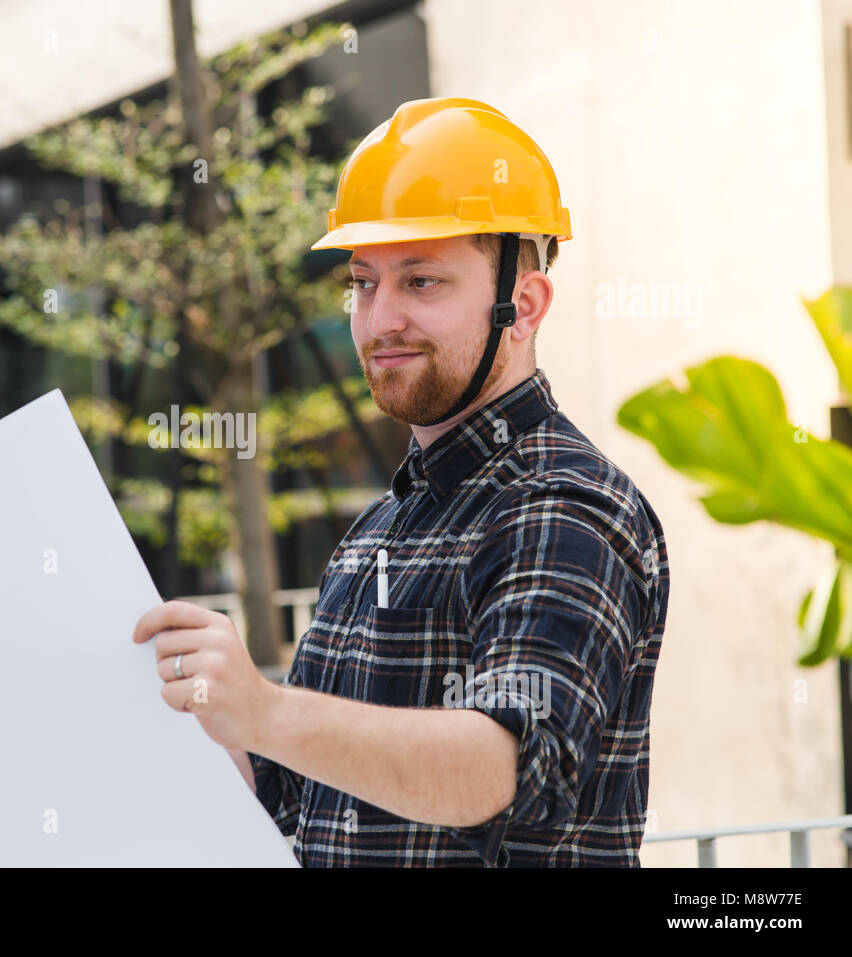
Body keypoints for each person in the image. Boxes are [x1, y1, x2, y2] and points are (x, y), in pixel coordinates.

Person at [131, 98, 670, 866]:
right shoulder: (376, 533)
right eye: (362, 282)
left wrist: (266, 710)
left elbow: (502, 767)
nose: (379, 319)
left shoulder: (566, 506)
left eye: (421, 282)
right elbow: (291, 792)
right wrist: (196, 711)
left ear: (523, 306)